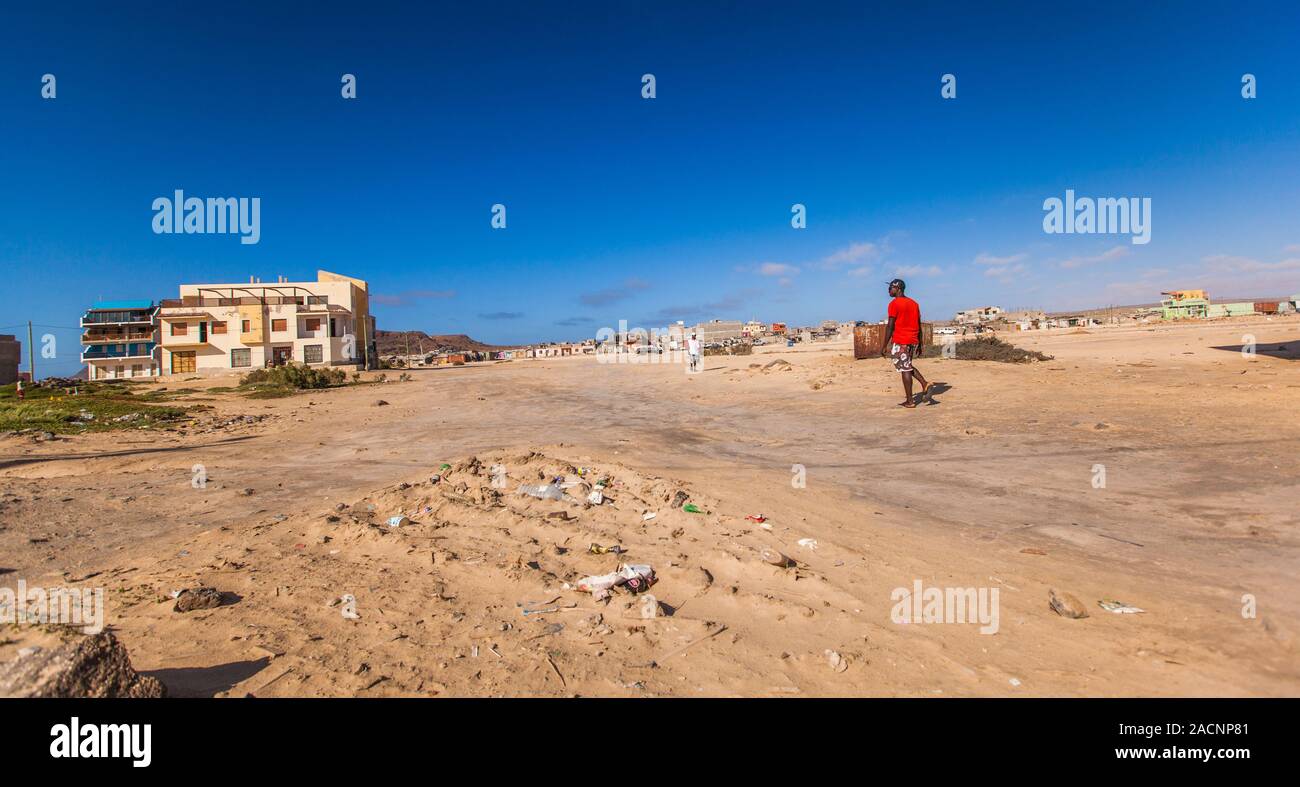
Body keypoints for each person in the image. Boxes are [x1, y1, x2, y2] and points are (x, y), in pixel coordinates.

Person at [880, 278, 930, 407]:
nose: (889, 290)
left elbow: (890, 326)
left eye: (890, 288)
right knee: (907, 365)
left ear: (898, 288)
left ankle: (910, 401)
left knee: (905, 369)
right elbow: (919, 325)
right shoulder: (914, 303)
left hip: (901, 340)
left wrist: (884, 345)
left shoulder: (894, 304)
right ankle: (925, 384)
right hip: (912, 340)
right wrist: (920, 343)